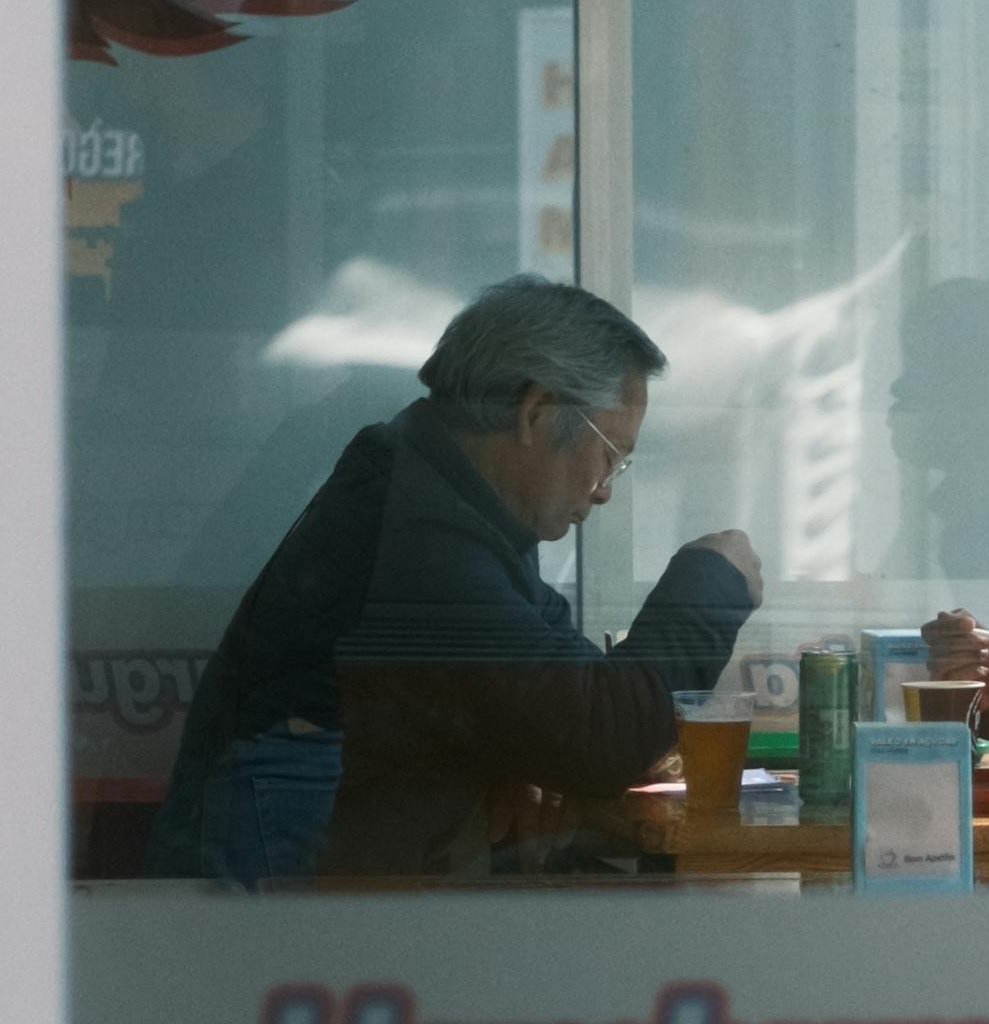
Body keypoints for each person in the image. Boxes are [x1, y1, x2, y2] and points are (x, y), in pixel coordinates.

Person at [191, 277, 762, 889]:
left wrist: (516, 754)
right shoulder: (418, 535)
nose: (605, 490)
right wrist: (711, 583)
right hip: (300, 918)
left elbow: (543, 683)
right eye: (609, 455)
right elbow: (602, 731)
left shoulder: (443, 496)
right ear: (537, 413)